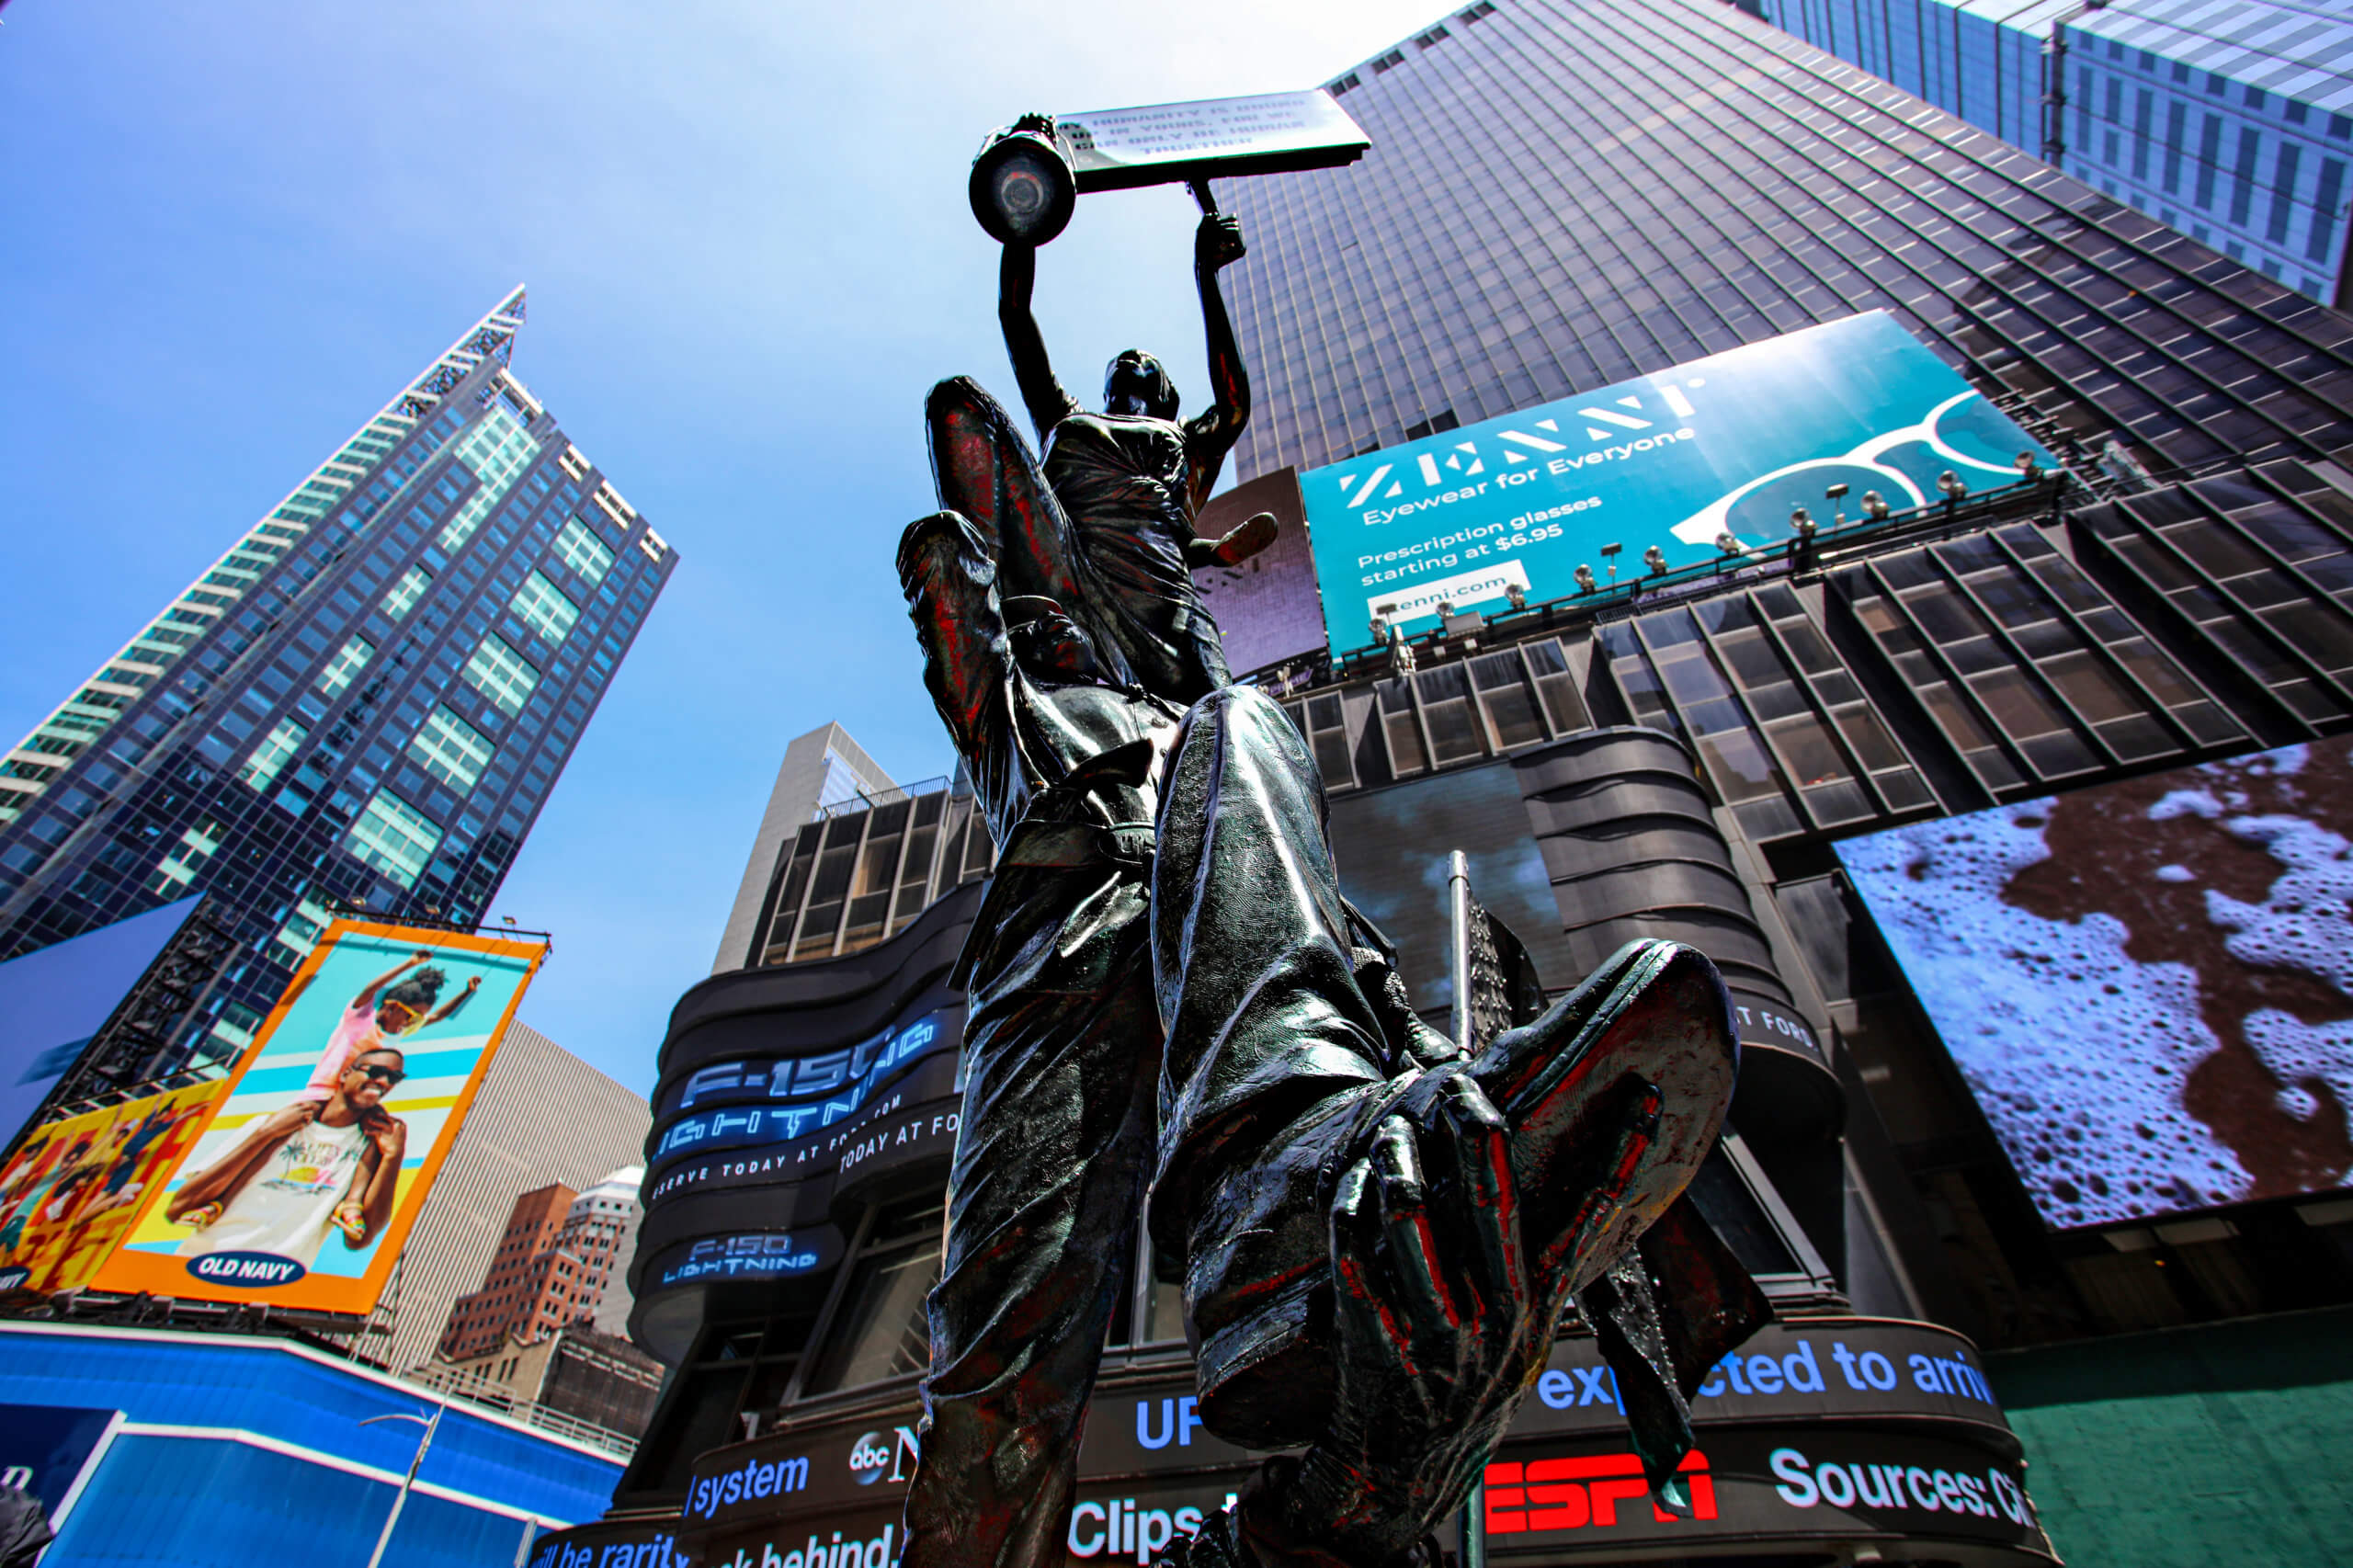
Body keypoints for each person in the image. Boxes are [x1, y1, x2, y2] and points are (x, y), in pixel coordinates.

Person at [893, 483, 1743, 1568]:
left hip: (1215, 974)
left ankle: (1282, 1181)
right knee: (1001, 1363)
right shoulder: (1017, 719)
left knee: (1248, 720)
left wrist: (1415, 1040)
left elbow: (1308, 900)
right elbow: (964, 500)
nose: (1063, 625)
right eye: (1043, 620)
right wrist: (992, 551)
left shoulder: (1195, 730)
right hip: (1064, 972)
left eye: (1077, 617)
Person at [932, 196, 1277, 710]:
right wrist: (1023, 209)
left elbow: (1233, 408)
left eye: (1147, 361)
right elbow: (1015, 315)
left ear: (1168, 395)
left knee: (1233, 716)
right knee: (956, 402)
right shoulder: (1068, 419)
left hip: (1163, 600)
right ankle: (982, 609)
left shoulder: (1187, 439)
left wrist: (1206, 275)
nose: (1133, 357)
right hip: (1063, 566)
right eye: (1122, 360)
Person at [168, 1046, 409, 1267]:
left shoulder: (372, 1145)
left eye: (394, 1078)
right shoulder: (270, 1124)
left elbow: (360, 1240)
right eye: (377, 1071)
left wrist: (393, 1156)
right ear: (346, 1073)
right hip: (198, 1267)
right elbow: (178, 1209)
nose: (383, 1082)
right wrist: (265, 1134)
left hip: (275, 1286)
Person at [298, 950, 479, 1105]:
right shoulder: (360, 1019)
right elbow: (370, 990)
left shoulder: (400, 1031)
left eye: (418, 1019)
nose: (412, 1022)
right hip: (320, 1094)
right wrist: (409, 964)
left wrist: (467, 992)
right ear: (392, 1007)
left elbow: (439, 1016)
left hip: (351, 1101)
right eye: (412, 1015)